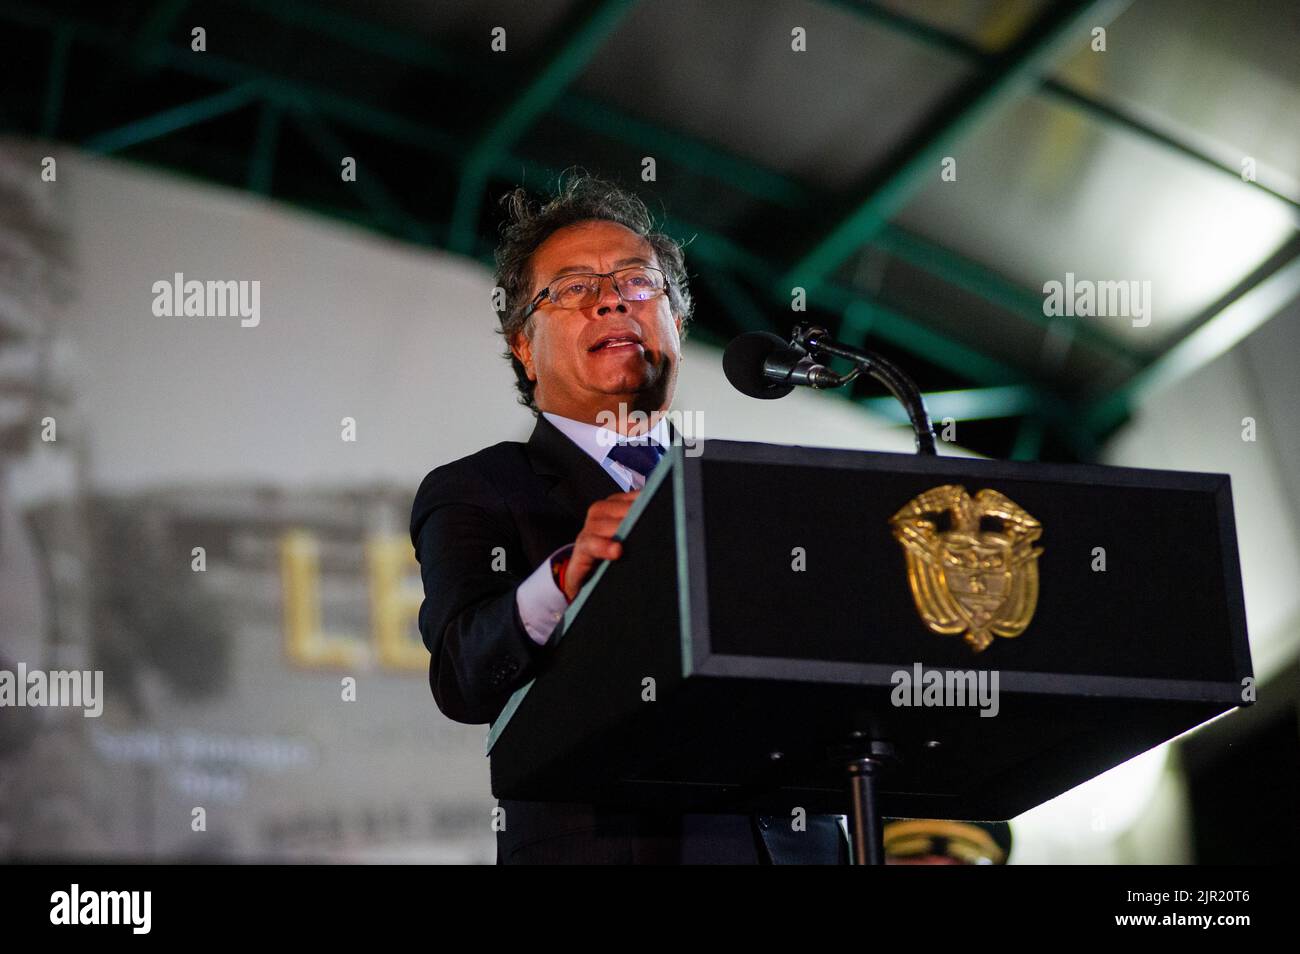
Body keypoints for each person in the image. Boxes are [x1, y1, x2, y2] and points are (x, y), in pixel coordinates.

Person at [410, 173, 848, 864]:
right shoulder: (478, 489)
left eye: (638, 283)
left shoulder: (754, 494)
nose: (613, 298)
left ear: (677, 320)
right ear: (523, 345)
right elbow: (463, 674)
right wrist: (562, 577)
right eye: (575, 288)